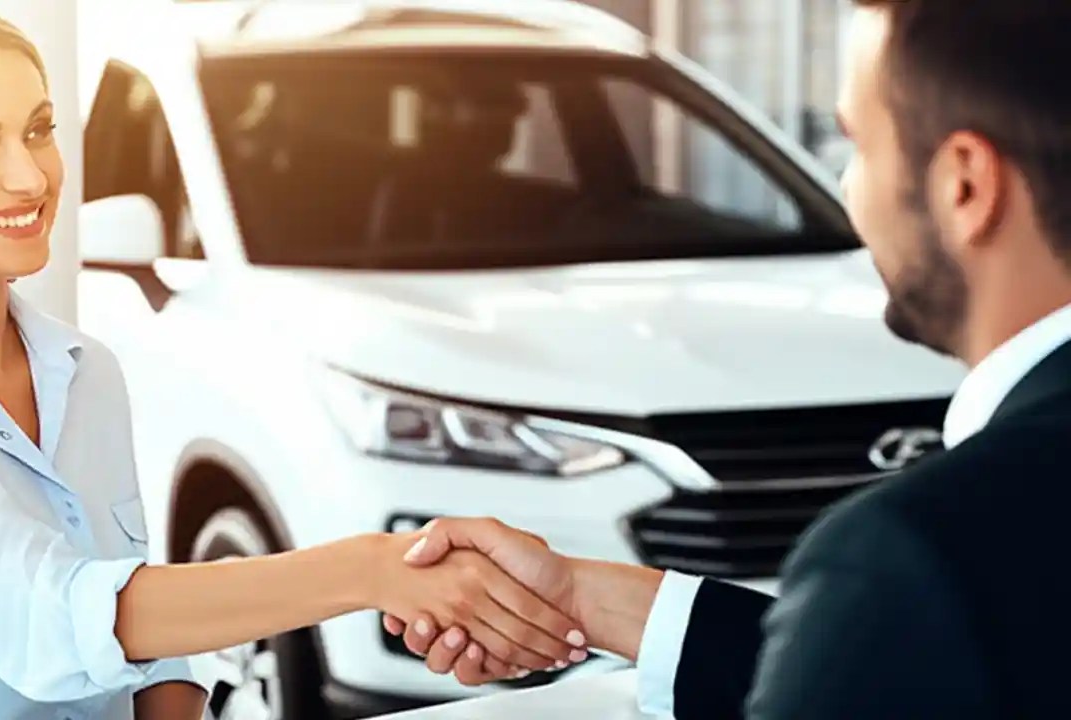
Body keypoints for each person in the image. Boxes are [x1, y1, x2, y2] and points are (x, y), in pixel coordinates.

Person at [0, 3, 587, 718]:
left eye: (38, 129)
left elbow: (144, 641)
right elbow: (54, 617)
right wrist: (376, 570)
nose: (30, 175)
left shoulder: (85, 373)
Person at [385, 1, 1071, 717]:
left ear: (965, 184)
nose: (846, 189)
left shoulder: (912, 556)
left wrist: (863, 594)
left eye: (859, 148)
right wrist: (581, 598)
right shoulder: (948, 572)